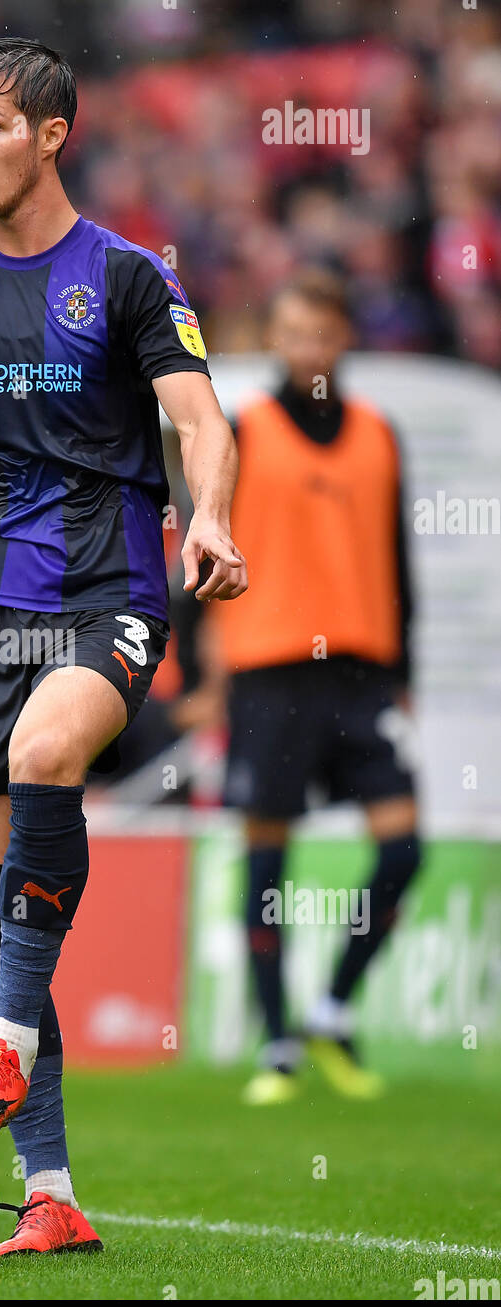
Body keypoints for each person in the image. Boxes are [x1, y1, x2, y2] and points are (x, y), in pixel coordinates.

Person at [0, 37, 247, 1256]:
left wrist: (211, 512)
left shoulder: (127, 278)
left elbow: (200, 418)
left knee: (49, 746)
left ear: (53, 133)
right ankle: (53, 1192)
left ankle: (1, 1051)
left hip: (105, 584)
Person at [207, 268, 421, 1106]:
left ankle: (332, 1008)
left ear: (343, 340)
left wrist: (409, 672)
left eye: (322, 333)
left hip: (363, 672)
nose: (308, 348)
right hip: (267, 669)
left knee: (404, 847)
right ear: (273, 338)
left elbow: (399, 561)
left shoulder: (378, 433)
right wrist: (198, 665)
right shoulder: (245, 429)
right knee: (269, 855)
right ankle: (277, 1041)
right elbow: (207, 545)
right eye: (292, 332)